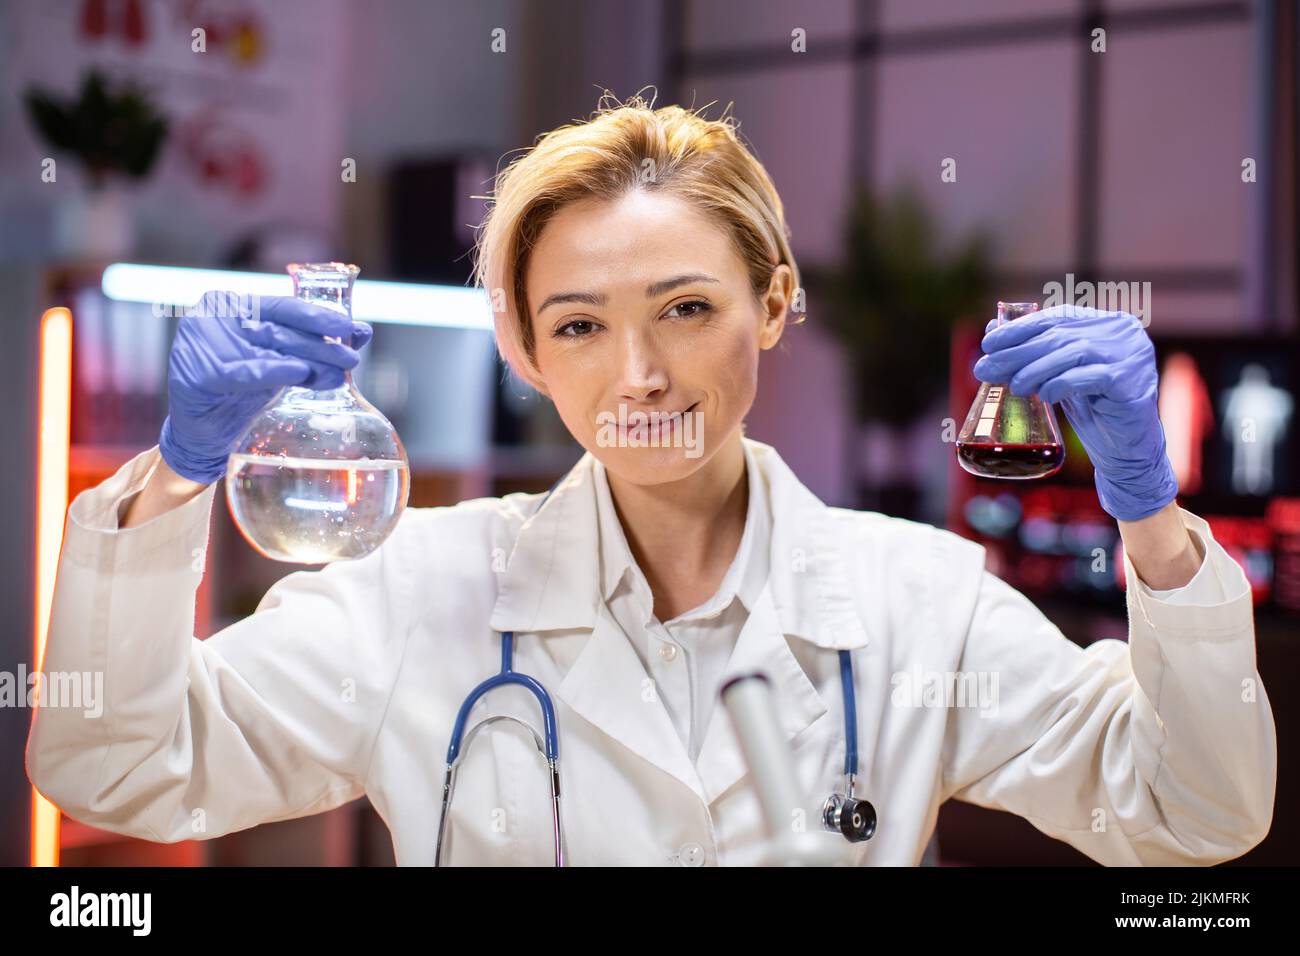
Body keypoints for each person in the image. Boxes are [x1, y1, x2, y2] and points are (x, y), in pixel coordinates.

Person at [26, 94, 1276, 866]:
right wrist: (176, 480)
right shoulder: (413, 592)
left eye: (686, 307)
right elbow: (117, 767)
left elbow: (1193, 811)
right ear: (517, 347)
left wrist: (1151, 520)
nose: (639, 374)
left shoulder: (917, 601)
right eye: (575, 326)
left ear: (773, 302)